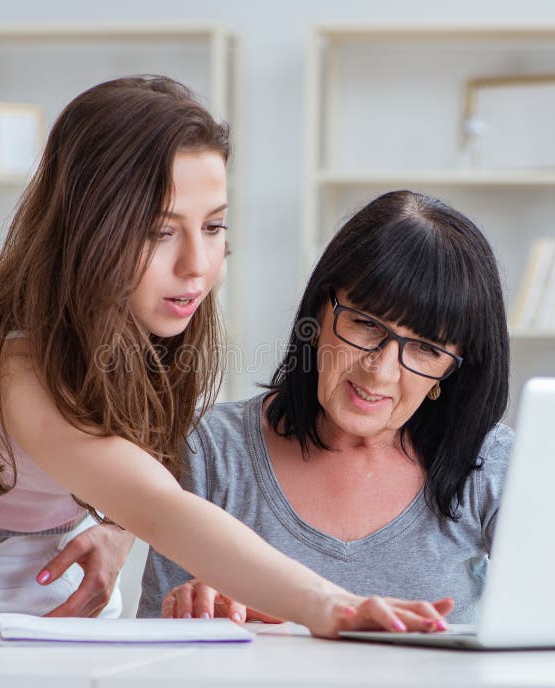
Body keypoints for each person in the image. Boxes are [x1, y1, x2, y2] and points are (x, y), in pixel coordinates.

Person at [0, 77, 450, 637]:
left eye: (214, 225)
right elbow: (161, 508)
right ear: (89, 227)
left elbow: (149, 461)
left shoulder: (157, 311)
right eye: (160, 231)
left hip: (66, 551)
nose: (197, 262)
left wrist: (114, 529)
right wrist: (331, 604)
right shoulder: (12, 357)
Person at [139, 190, 512, 625]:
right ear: (320, 310)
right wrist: (191, 616)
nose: (381, 371)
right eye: (367, 325)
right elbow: (153, 662)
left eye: (426, 349)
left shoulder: (490, 465)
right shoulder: (211, 453)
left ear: (452, 369)